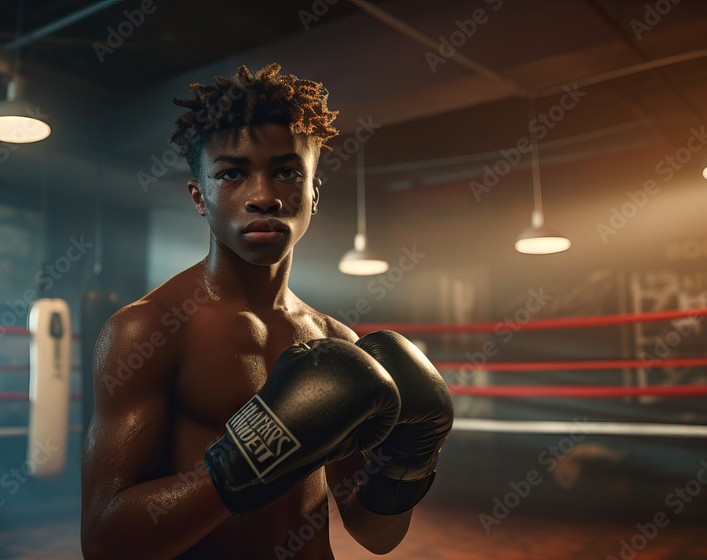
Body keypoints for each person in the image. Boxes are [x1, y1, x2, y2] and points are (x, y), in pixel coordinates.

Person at [80, 63, 452, 559]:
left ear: (313, 193)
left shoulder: (336, 342)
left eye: (286, 171)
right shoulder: (147, 330)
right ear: (200, 196)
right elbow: (105, 542)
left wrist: (406, 466)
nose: (264, 196)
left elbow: (375, 535)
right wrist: (253, 457)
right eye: (232, 173)